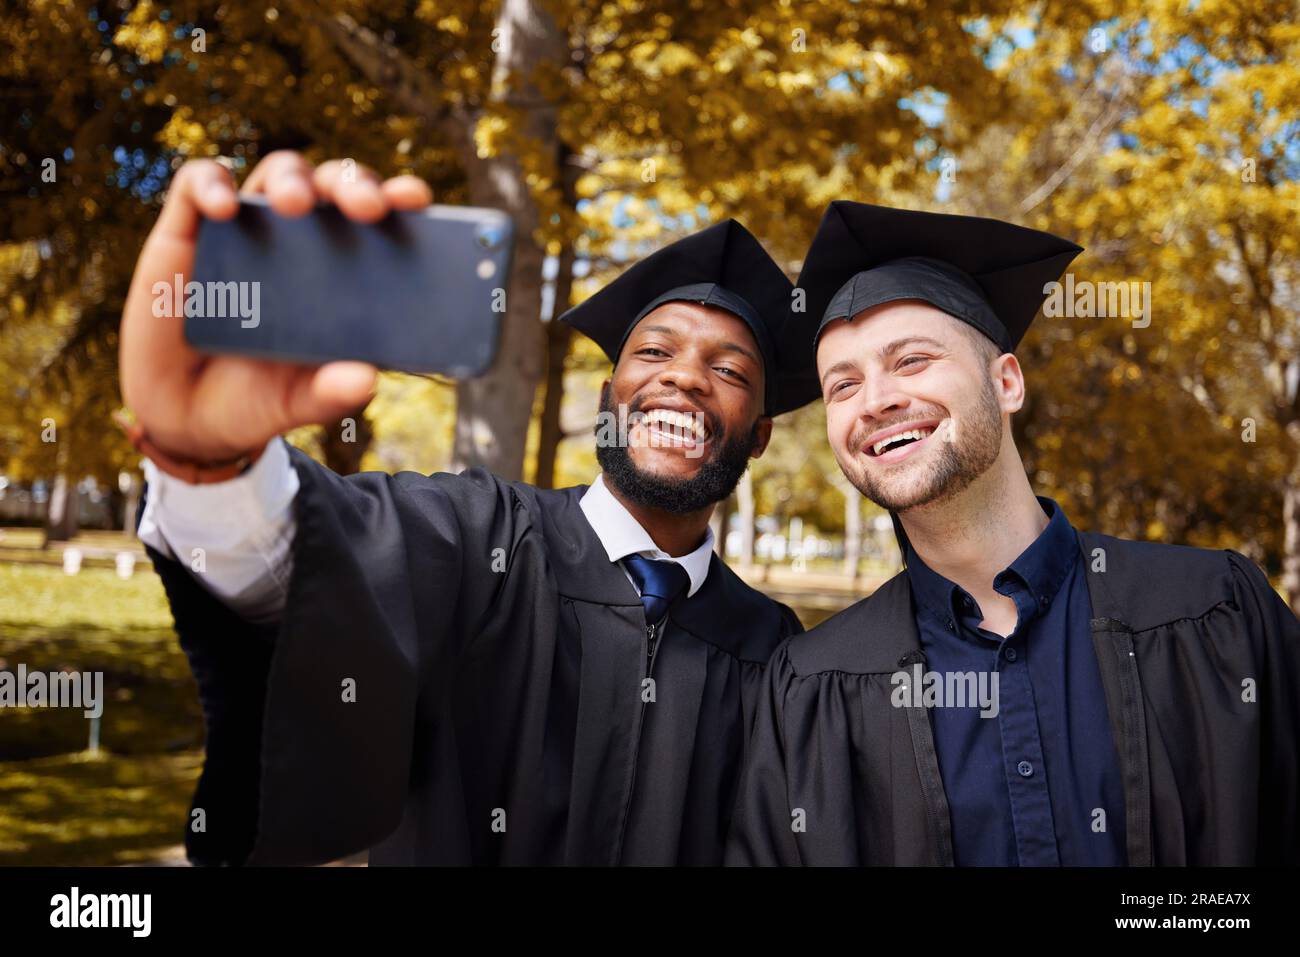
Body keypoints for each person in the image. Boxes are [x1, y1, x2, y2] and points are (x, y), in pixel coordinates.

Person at [118, 151, 821, 865]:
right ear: (610, 398)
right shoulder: (482, 537)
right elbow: (304, 560)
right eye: (654, 351)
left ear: (759, 435)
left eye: (729, 370)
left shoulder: (775, 650)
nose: (684, 376)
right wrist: (209, 460)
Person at [726, 200, 1300, 866]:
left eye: (911, 360)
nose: (875, 399)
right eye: (843, 384)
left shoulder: (1214, 612)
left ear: (1006, 381)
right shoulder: (812, 683)